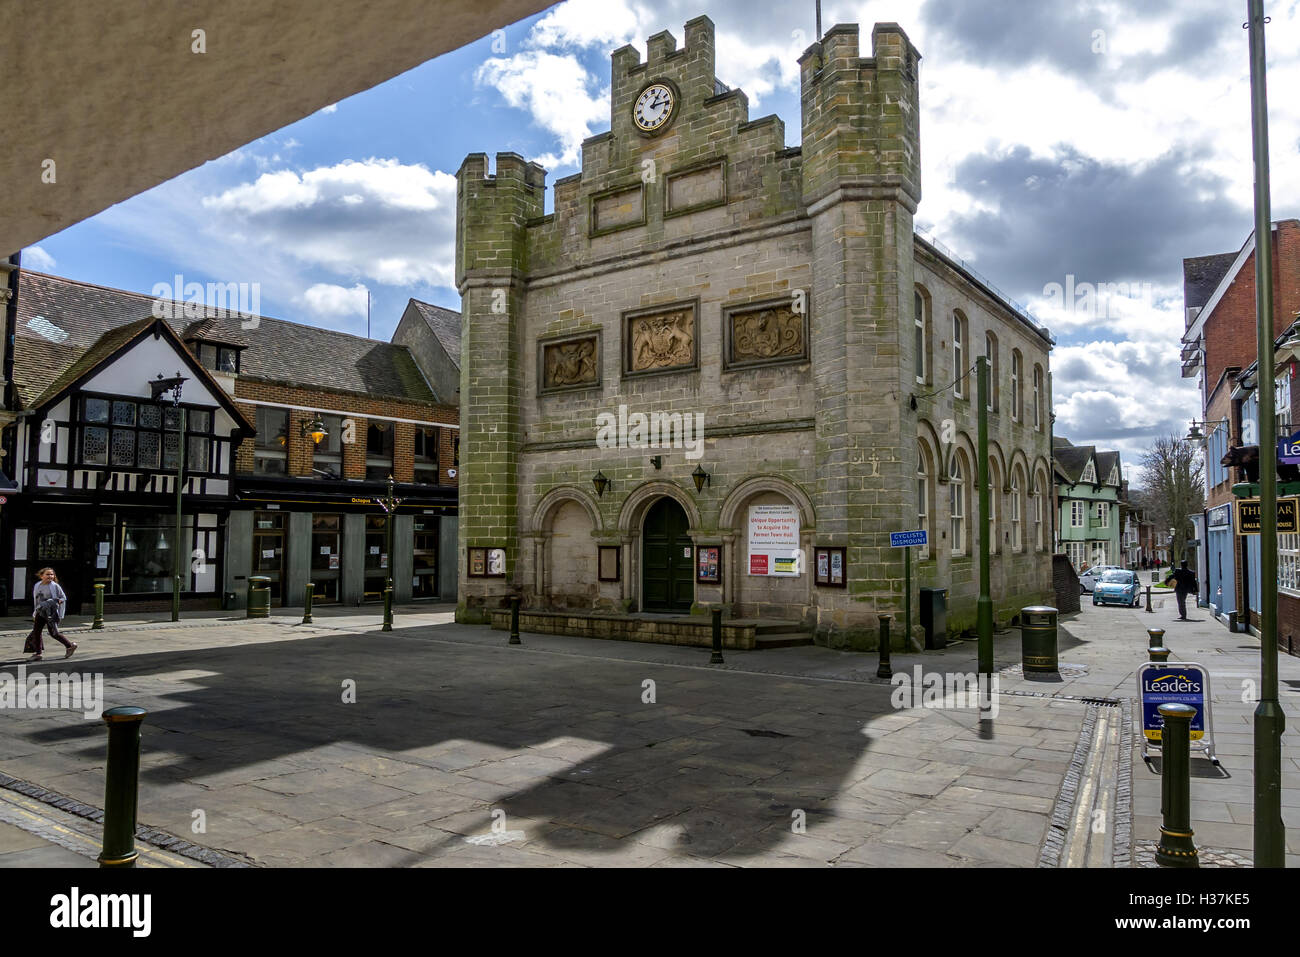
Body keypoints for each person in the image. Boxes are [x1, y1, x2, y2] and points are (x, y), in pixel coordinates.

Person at [24, 567, 76, 661]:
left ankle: (70, 646)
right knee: (37, 631)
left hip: (51, 613)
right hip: (41, 611)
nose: (50, 576)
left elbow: (63, 598)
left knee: (53, 633)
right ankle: (38, 654)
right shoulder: (37, 585)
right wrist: (36, 611)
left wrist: (55, 602)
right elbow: (36, 599)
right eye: (47, 574)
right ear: (41, 576)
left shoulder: (55, 586)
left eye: (52, 574)